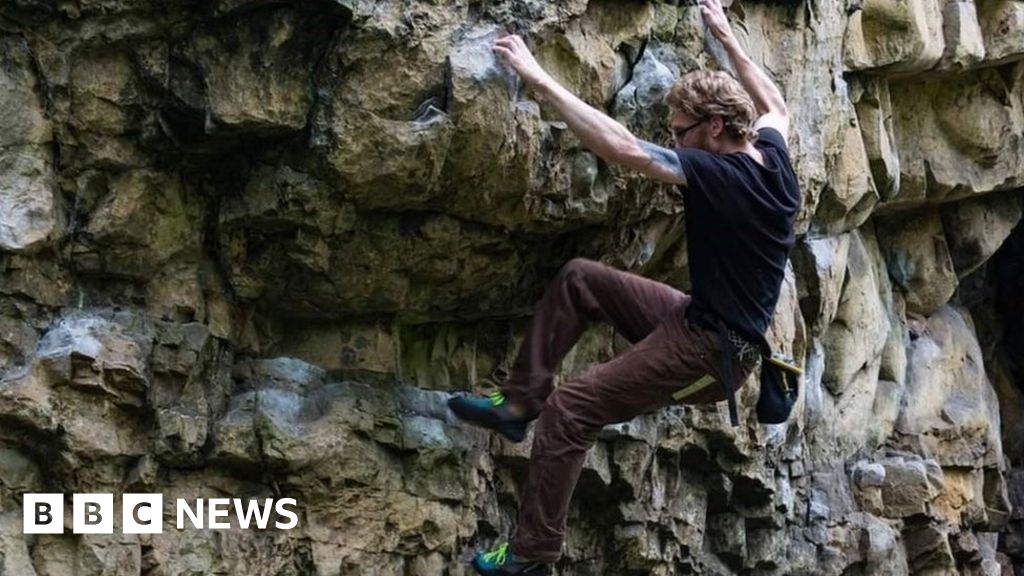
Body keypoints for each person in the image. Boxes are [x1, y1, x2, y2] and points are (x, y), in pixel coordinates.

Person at [447, 0, 801, 573]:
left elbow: (624, 148)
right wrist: (727, 38)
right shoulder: (772, 157)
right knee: (581, 278)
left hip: (712, 355)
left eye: (681, 132)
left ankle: (532, 554)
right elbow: (775, 103)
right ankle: (517, 402)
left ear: (714, 128)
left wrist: (538, 78)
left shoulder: (721, 176)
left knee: (570, 411)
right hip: (698, 319)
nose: (675, 141)